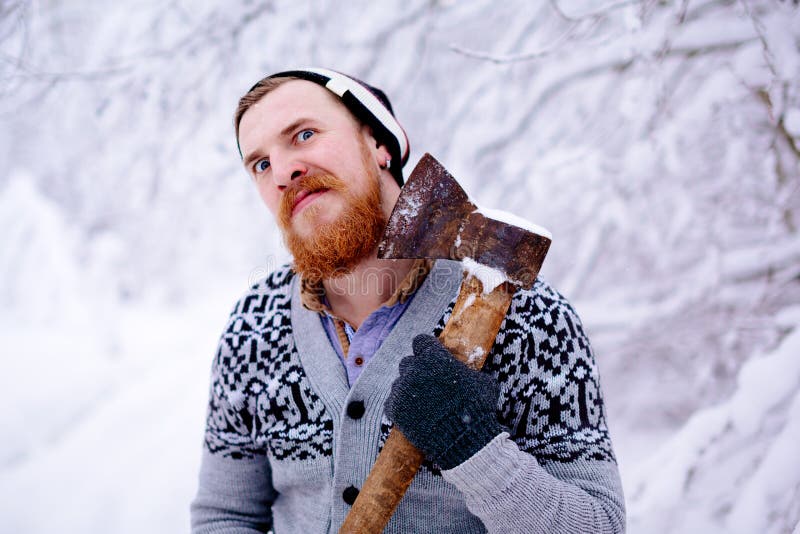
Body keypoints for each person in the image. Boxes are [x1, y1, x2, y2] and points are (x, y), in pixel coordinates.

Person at [190, 67, 625, 533]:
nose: (282, 172)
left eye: (304, 134)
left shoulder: (527, 317)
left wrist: (473, 447)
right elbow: (225, 515)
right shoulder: (256, 324)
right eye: (260, 164)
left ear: (378, 143)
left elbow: (599, 526)